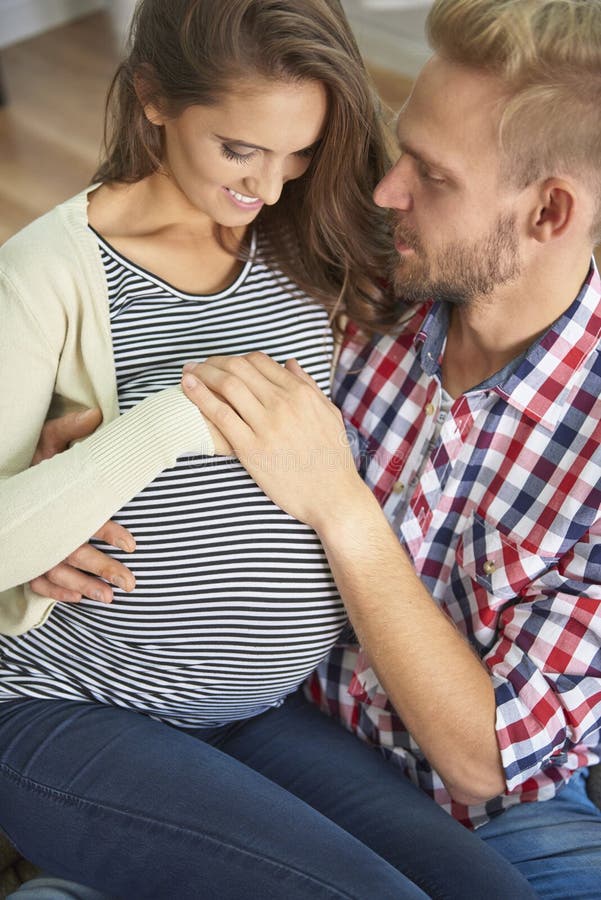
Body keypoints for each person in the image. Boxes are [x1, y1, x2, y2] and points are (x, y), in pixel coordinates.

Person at [0, 1, 538, 898]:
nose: (271, 185)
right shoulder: (49, 272)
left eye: (299, 153)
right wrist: (165, 423)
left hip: (255, 713)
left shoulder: (302, 234)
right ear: (152, 100)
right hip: (64, 710)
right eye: (239, 150)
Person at [175, 0, 601, 897]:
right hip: (272, 719)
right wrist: (95, 434)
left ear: (550, 212)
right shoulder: (365, 269)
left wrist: (340, 507)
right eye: (403, 147)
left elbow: (490, 761)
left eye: (433, 176)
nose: (386, 190)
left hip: (501, 815)